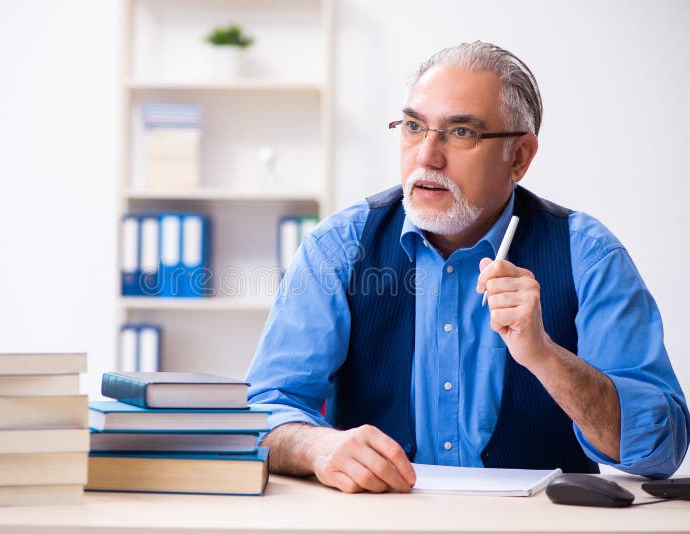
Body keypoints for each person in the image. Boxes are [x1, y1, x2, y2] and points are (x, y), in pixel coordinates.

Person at [245, 41, 689, 493]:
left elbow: (660, 450)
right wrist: (316, 447)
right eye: (414, 126)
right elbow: (264, 410)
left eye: (460, 133)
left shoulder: (588, 255)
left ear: (518, 157)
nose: (426, 157)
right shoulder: (338, 247)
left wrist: (546, 358)